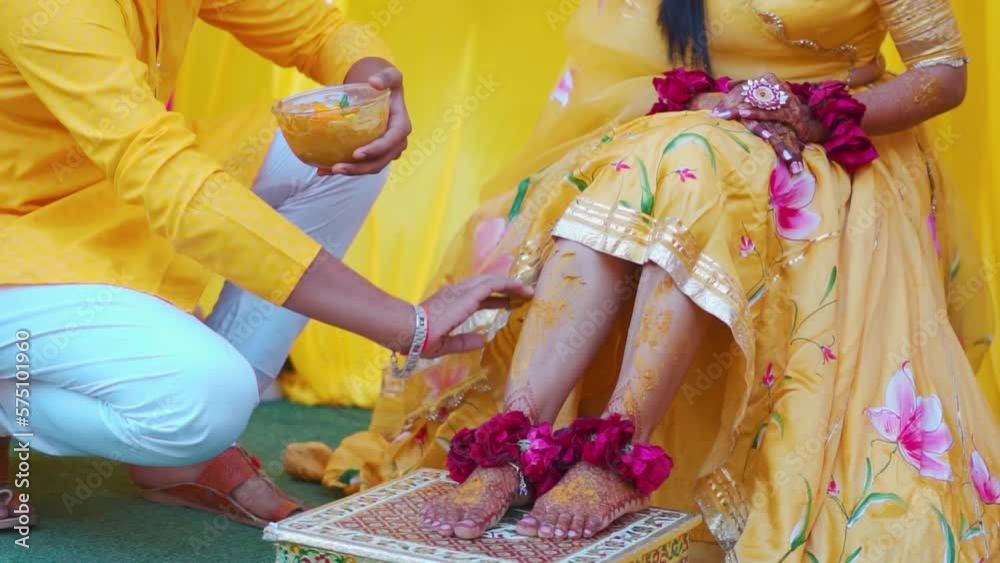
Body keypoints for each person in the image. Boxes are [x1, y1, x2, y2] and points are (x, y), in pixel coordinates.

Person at [298, 0, 1000, 559]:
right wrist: (700, 109)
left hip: (822, 146)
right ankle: (514, 443)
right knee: (664, 158)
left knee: (681, 162)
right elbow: (617, 61)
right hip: (677, 128)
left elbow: (943, 71)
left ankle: (617, 451)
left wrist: (812, 113)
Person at [0, 0, 530, 530]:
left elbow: (315, 27)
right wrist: (403, 322)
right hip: (19, 237)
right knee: (203, 402)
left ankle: (190, 457)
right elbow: (166, 179)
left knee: (345, 136)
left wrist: (374, 84)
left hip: (93, 201)